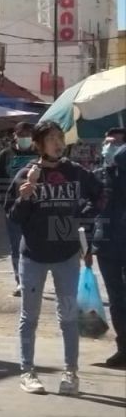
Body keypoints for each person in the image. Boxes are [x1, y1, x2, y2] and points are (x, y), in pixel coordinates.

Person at [5, 121, 102, 395]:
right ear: (39, 144)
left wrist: (83, 215)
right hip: (33, 257)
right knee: (29, 317)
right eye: (51, 138)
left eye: (60, 137)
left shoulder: (75, 172)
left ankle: (70, 372)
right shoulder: (26, 174)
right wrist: (25, 196)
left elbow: (100, 193)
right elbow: (12, 217)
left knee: (68, 317)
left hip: (66, 255)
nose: (58, 142)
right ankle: (28, 372)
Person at [0, 121, 39, 296]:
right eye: (22, 134)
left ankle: (34, 278)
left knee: (36, 243)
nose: (25, 137)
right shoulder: (5, 155)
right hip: (13, 206)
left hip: (37, 207)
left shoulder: (39, 154)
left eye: (28, 134)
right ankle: (21, 281)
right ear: (15, 135)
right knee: (16, 244)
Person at [93, 127, 126, 369]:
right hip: (106, 246)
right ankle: (123, 348)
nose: (108, 146)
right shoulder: (100, 174)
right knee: (116, 300)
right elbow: (88, 208)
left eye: (114, 143)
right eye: (106, 142)